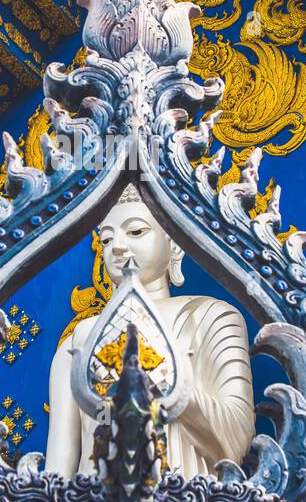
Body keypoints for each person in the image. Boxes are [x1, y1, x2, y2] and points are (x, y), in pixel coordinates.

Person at [45, 185, 255, 478]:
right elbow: (59, 464)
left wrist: (162, 378)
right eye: (107, 239)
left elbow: (235, 441)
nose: (117, 246)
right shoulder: (79, 340)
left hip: (190, 497)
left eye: (135, 232)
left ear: (175, 244)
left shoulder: (210, 315)